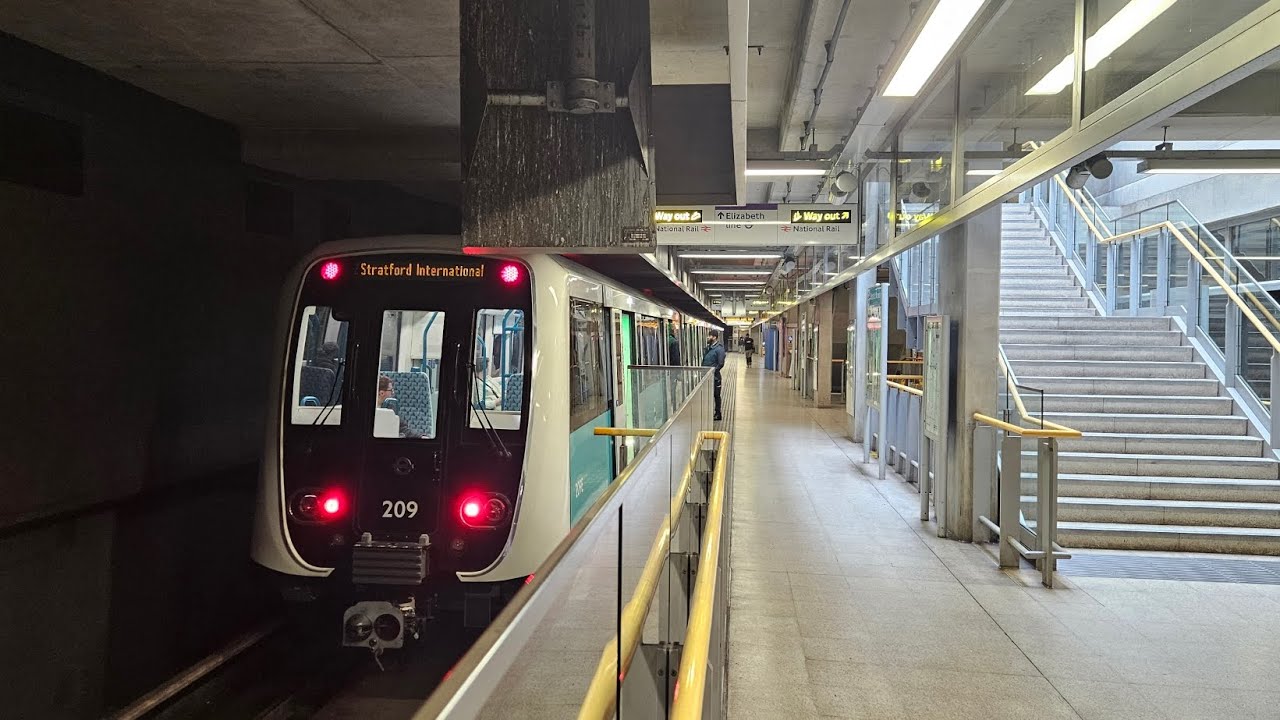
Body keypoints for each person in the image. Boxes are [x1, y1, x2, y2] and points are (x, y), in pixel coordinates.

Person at [702, 331, 726, 421]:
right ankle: (708, 412)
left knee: (716, 395)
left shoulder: (719, 349)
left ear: (714, 337)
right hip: (706, 376)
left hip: (715, 377)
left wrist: (712, 372)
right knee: (708, 395)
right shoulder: (709, 348)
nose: (708, 338)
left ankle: (718, 413)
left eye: (710, 336)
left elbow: (720, 363)